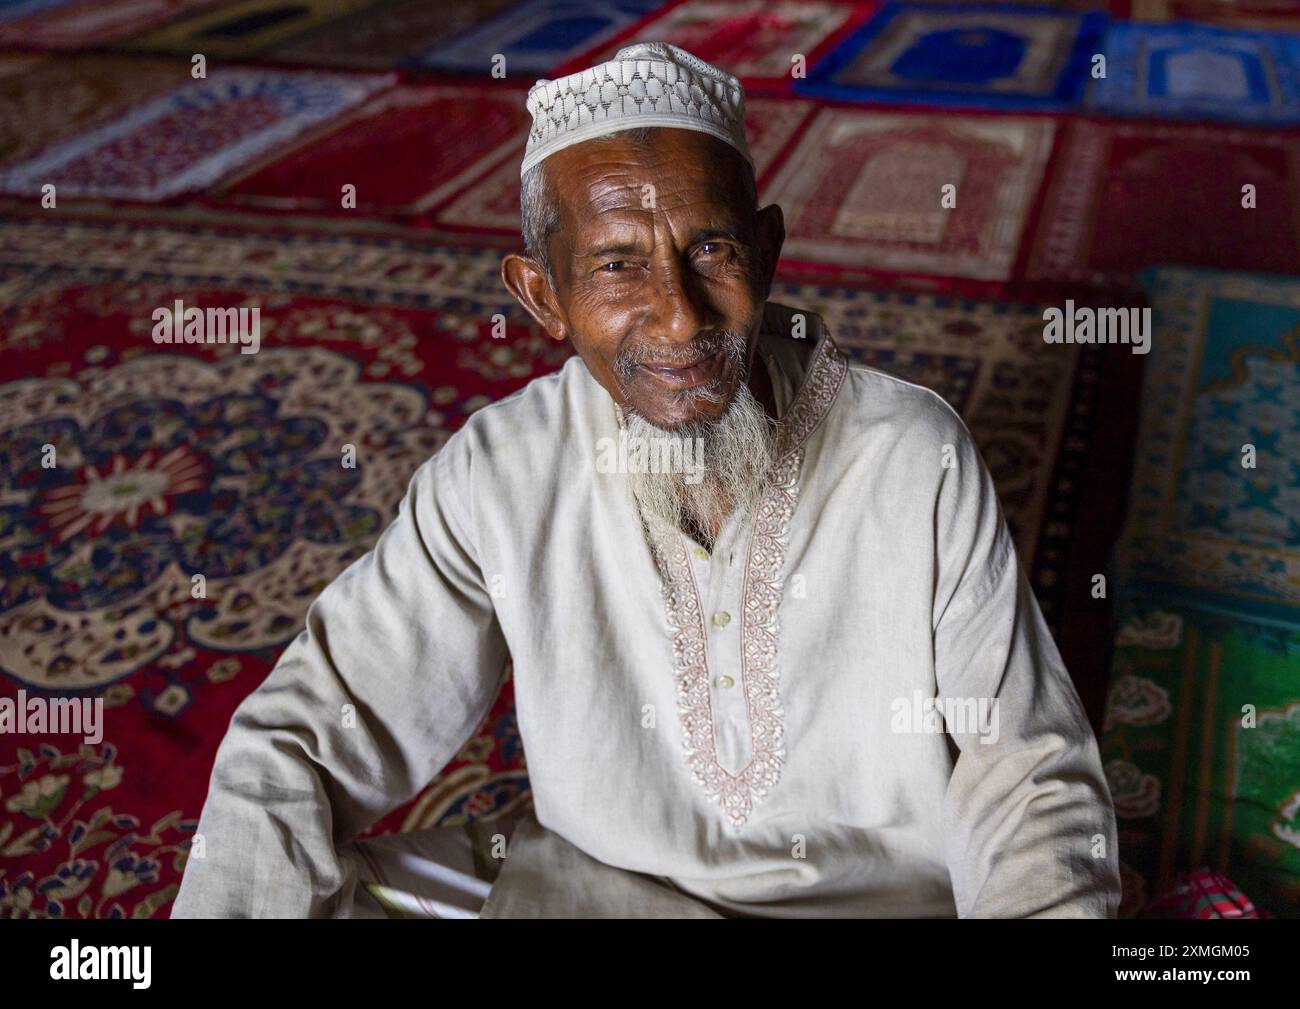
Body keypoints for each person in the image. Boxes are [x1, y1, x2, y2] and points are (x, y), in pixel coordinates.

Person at [172, 42, 1120, 919]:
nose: (677, 318)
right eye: (619, 266)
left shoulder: (916, 455)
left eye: (710, 250)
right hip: (598, 897)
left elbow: (1024, 767)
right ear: (542, 295)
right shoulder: (500, 473)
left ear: (768, 249)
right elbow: (305, 733)